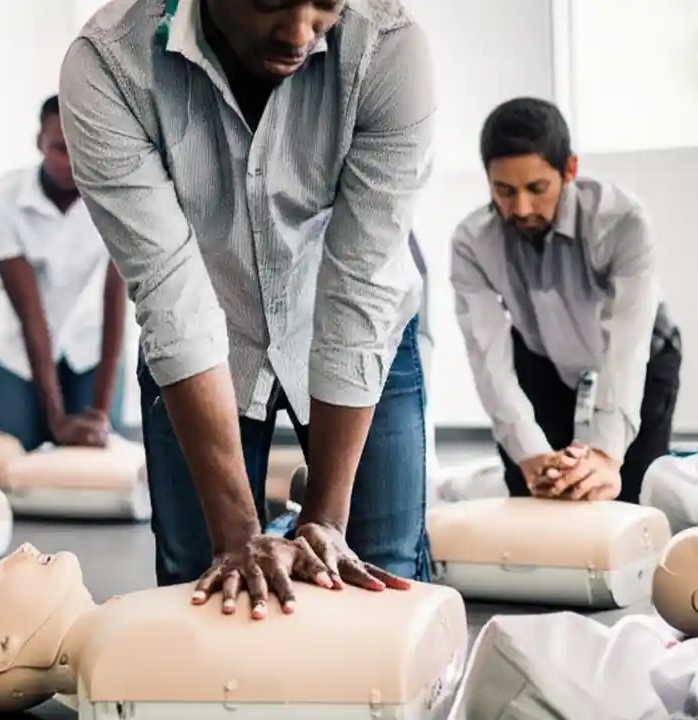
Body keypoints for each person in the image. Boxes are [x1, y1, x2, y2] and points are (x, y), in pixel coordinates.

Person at [59, 0, 436, 616]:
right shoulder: (107, 65)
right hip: (204, 332)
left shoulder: (387, 45)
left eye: (326, 5)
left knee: (379, 575)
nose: (298, 34)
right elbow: (170, 291)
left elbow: (360, 282)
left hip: (354, 327)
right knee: (205, 584)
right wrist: (237, 534)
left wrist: (329, 519)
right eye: (270, 3)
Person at [450, 97, 681, 505]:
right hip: (542, 360)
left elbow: (625, 347)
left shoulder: (623, 222)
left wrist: (606, 454)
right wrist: (530, 453)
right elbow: (488, 359)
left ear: (569, 170)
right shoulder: (472, 242)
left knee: (630, 498)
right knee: (536, 491)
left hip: (642, 355)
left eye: (537, 189)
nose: (521, 208)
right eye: (504, 191)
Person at [0, 95, 127, 451]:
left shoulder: (117, 200)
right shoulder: (1, 200)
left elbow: (115, 303)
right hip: (21, 352)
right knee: (13, 457)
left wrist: (100, 416)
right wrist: (56, 419)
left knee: (93, 458)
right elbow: (31, 316)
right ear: (39, 143)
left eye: (81, 148)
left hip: (89, 347)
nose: (71, 162)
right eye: (60, 148)